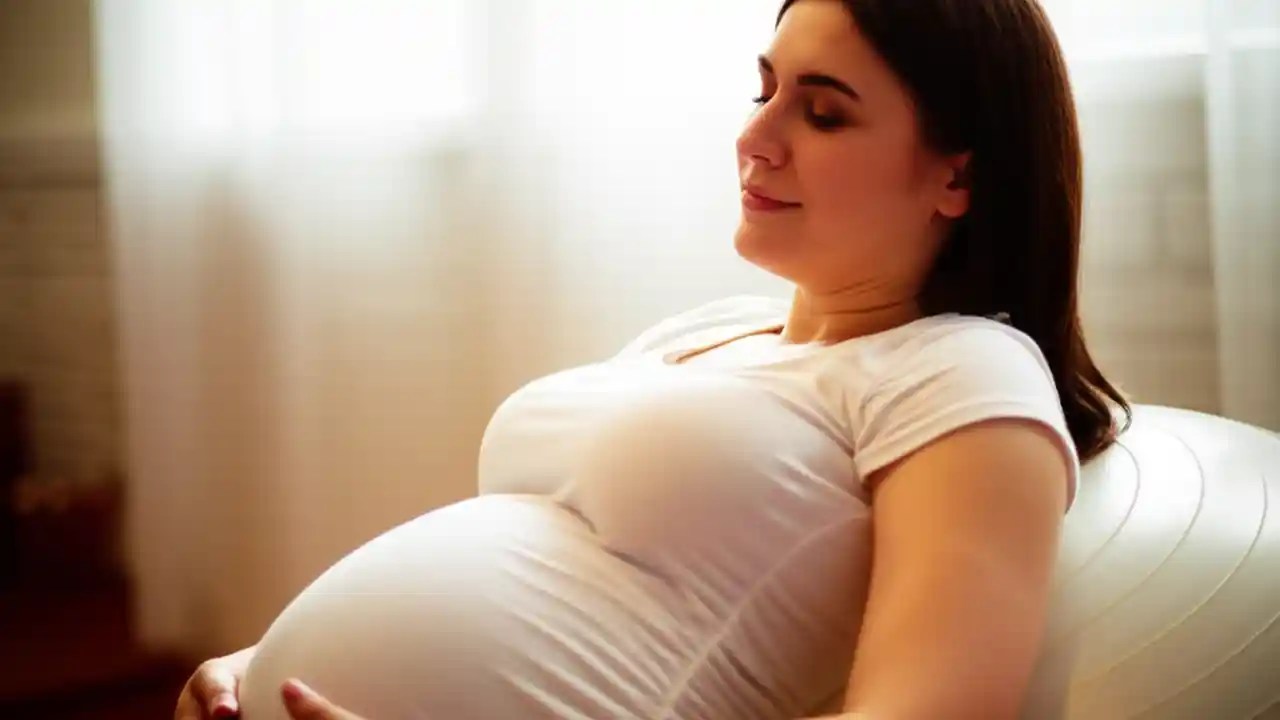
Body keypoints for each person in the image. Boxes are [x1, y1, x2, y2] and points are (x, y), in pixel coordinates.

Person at [175, 0, 1131, 718]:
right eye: (763, 92)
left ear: (957, 174)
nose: (755, 140)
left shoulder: (964, 369)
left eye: (824, 113)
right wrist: (260, 666)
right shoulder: (704, 333)